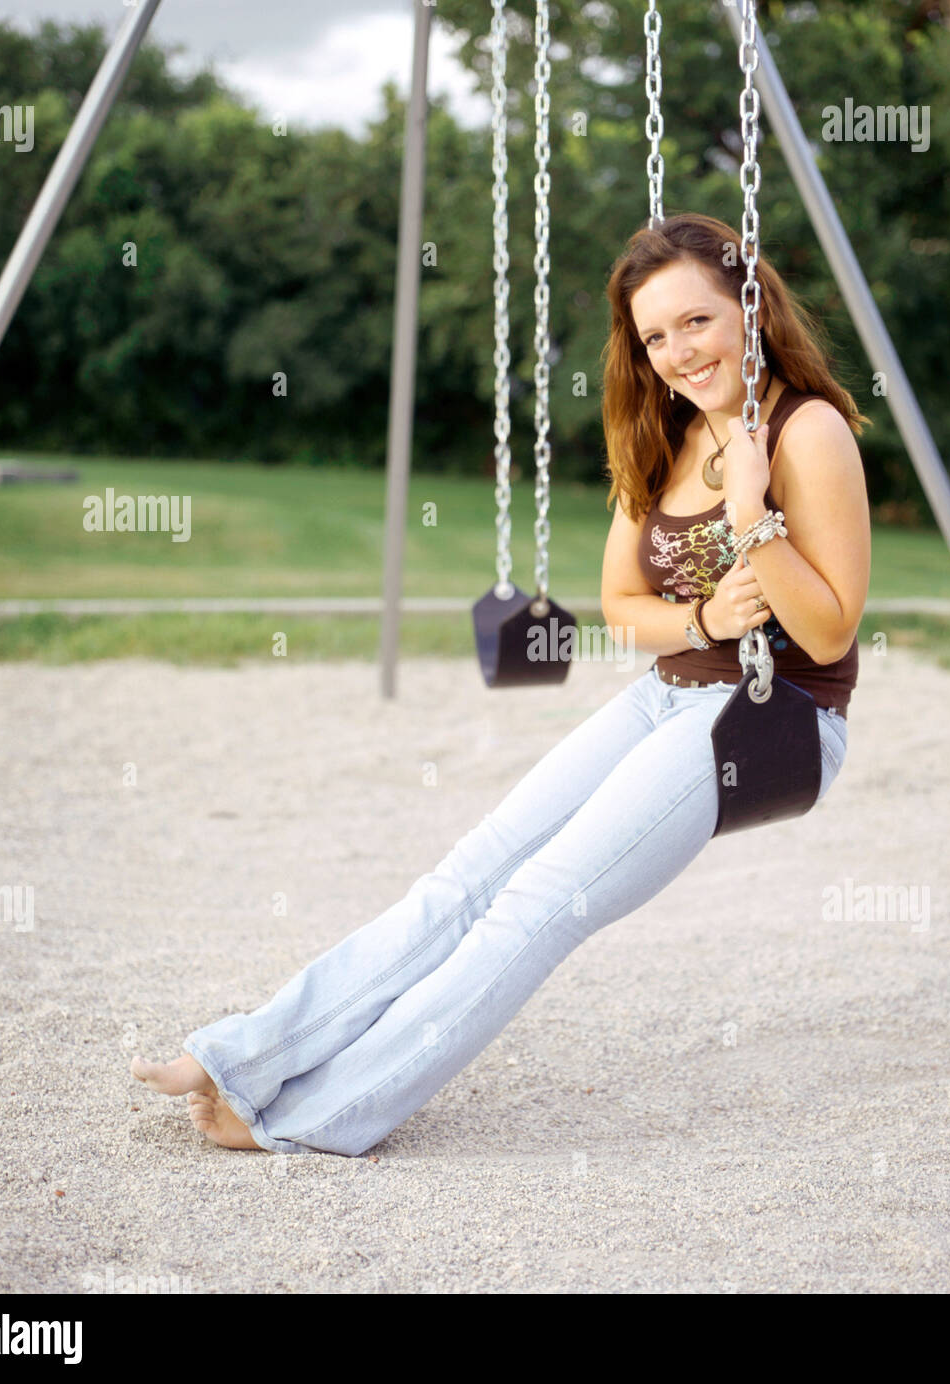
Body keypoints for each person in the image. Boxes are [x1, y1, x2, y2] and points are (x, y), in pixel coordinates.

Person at [131, 211, 872, 1155]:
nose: (679, 354)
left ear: (750, 309)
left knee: (541, 903)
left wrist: (752, 515)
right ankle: (251, 1054)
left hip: (776, 717)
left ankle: (322, 1118)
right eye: (654, 337)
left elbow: (831, 625)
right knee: (468, 877)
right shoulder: (671, 434)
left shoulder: (807, 433)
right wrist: (698, 623)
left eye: (697, 322)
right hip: (669, 695)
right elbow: (618, 602)